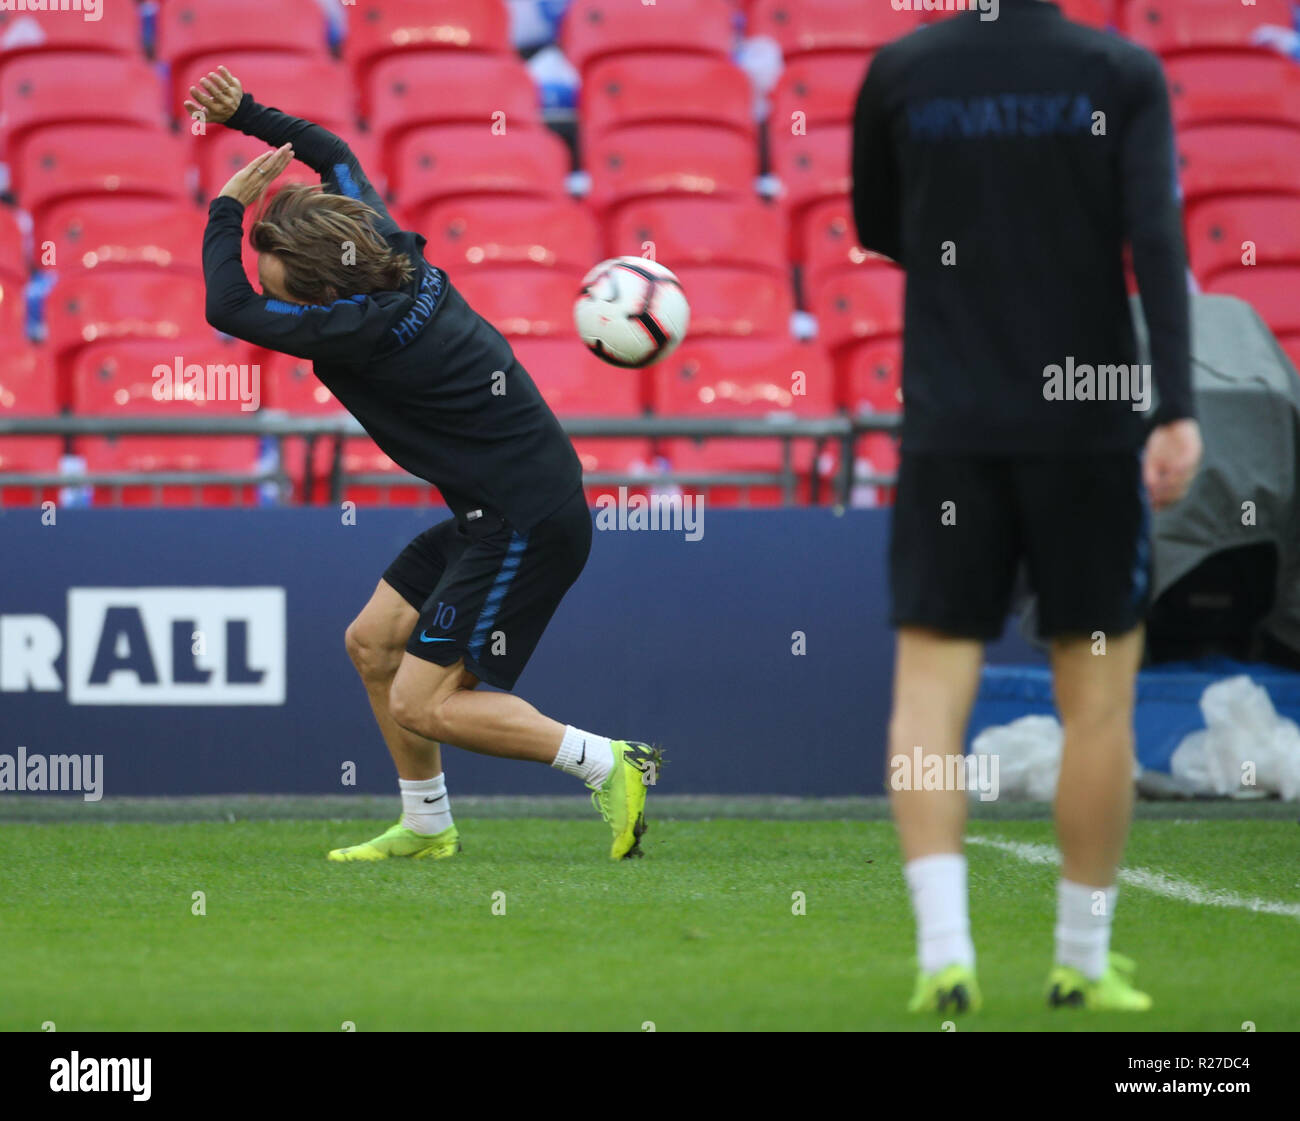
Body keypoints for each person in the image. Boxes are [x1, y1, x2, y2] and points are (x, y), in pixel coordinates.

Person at [188, 67, 660, 863]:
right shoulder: (384, 243)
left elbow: (225, 307)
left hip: (526, 524)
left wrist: (227, 205)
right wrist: (248, 114)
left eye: (286, 292)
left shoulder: (352, 328)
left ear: (322, 293)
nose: (279, 304)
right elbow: (330, 149)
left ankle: (610, 760)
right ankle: (428, 823)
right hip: (497, 511)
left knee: (424, 702)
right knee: (373, 643)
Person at [852, 0, 1203, 1013]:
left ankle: (944, 952)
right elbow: (1156, 238)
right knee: (1095, 699)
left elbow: (881, 225)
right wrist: (1173, 408)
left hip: (951, 421)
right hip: (1086, 429)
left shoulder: (900, 67)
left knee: (928, 689)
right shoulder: (1120, 72)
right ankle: (1081, 961)